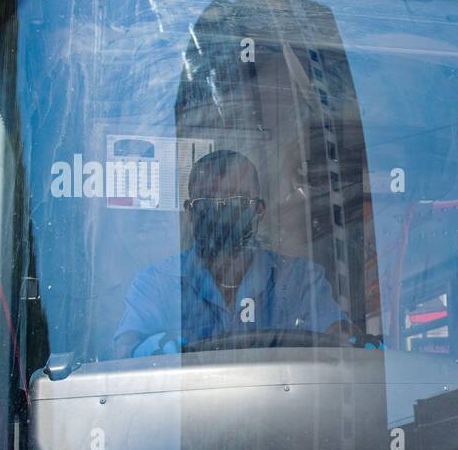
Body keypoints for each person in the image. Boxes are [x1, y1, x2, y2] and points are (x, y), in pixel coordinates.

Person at [113, 150, 348, 358]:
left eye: (236, 202)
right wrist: (161, 349)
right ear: (190, 211)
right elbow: (126, 356)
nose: (221, 213)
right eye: (207, 202)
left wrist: (349, 339)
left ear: (258, 210)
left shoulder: (299, 280)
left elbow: (340, 341)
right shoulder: (157, 283)